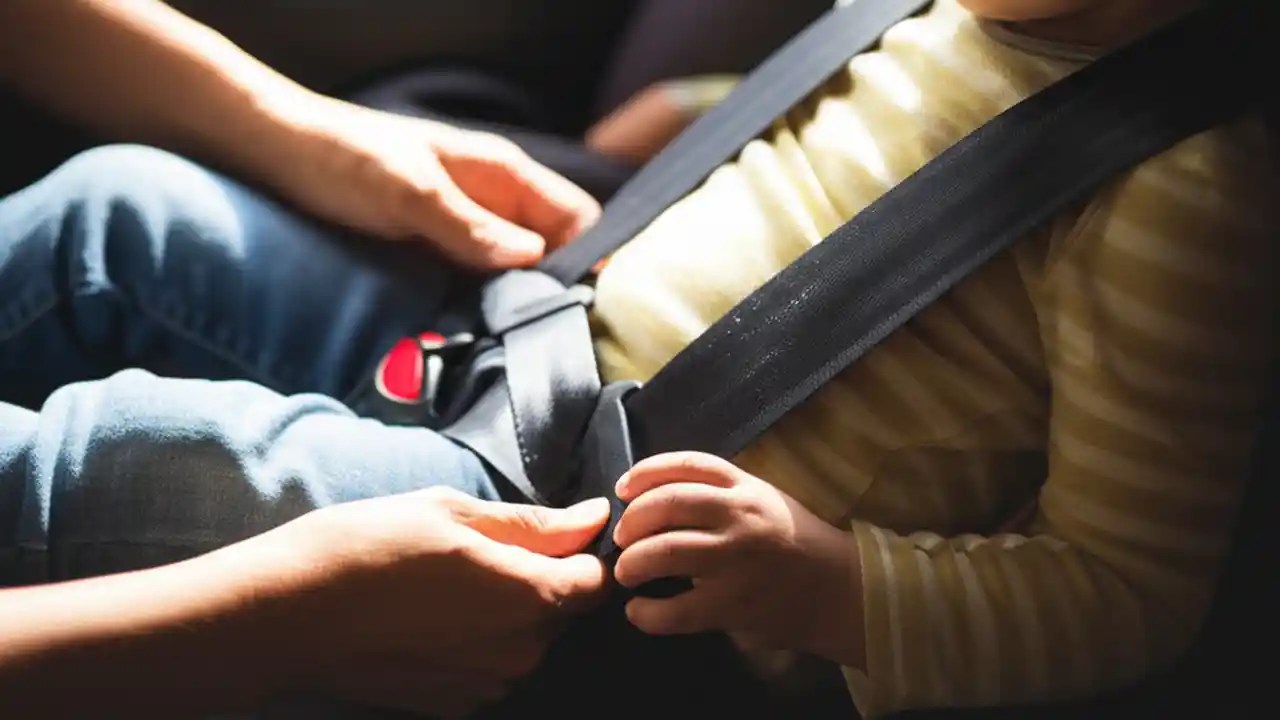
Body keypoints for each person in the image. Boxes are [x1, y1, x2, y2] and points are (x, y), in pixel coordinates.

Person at [1, 1, 1276, 720]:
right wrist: (675, 127)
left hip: (582, 546)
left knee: (129, 457)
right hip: (503, 335)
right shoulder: (952, 12)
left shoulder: (1182, 193)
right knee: (125, 213)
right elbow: (855, 121)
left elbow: (1126, 591)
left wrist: (832, 588)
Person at [0, 0, 610, 718]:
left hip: (525, 335)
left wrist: (314, 136)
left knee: (115, 215)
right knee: (117, 472)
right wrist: (248, 626)